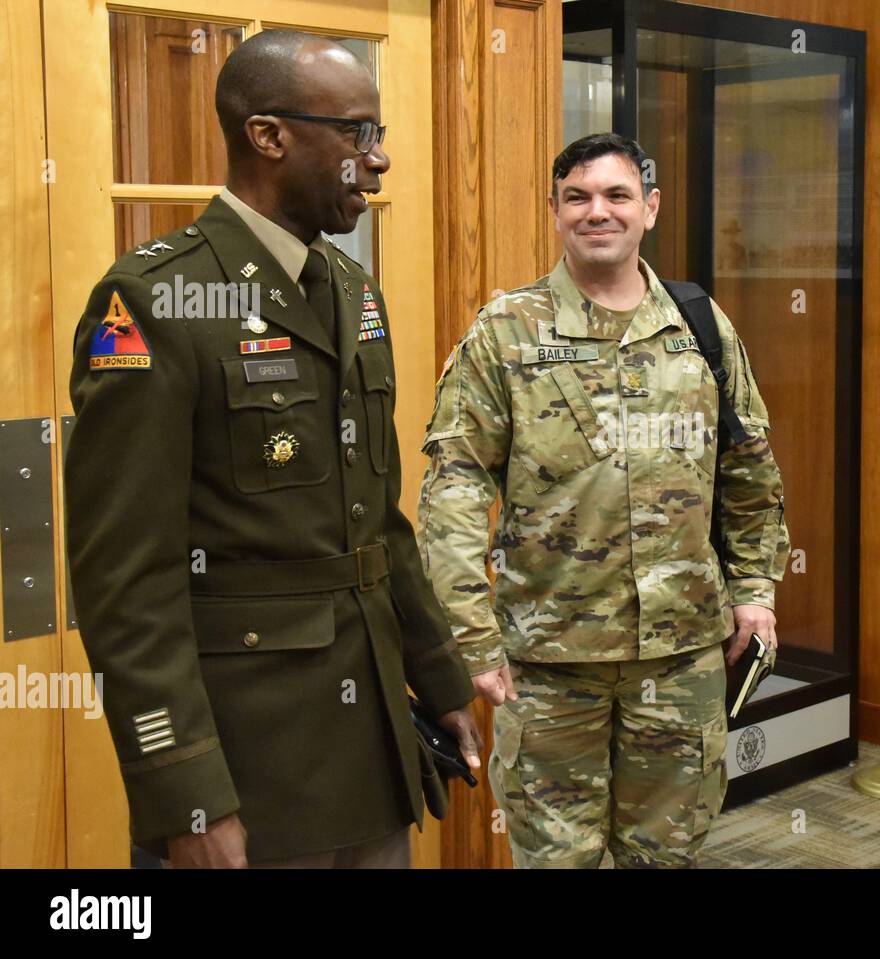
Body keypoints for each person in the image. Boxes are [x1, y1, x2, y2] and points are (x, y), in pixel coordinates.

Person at [65, 30, 480, 869]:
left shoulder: (351, 289)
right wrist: (185, 787)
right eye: (358, 132)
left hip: (369, 748)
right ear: (268, 135)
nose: (381, 159)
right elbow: (124, 580)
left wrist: (440, 678)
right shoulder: (155, 296)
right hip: (247, 767)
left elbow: (376, 520)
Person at [417, 133, 790, 868]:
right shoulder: (508, 331)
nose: (598, 212)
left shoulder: (700, 326)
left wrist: (755, 589)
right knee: (557, 859)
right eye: (578, 197)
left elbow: (749, 467)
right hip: (550, 663)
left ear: (649, 208)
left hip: (683, 658)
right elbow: (454, 485)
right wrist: (469, 633)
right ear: (555, 211)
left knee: (668, 853)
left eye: (617, 195)